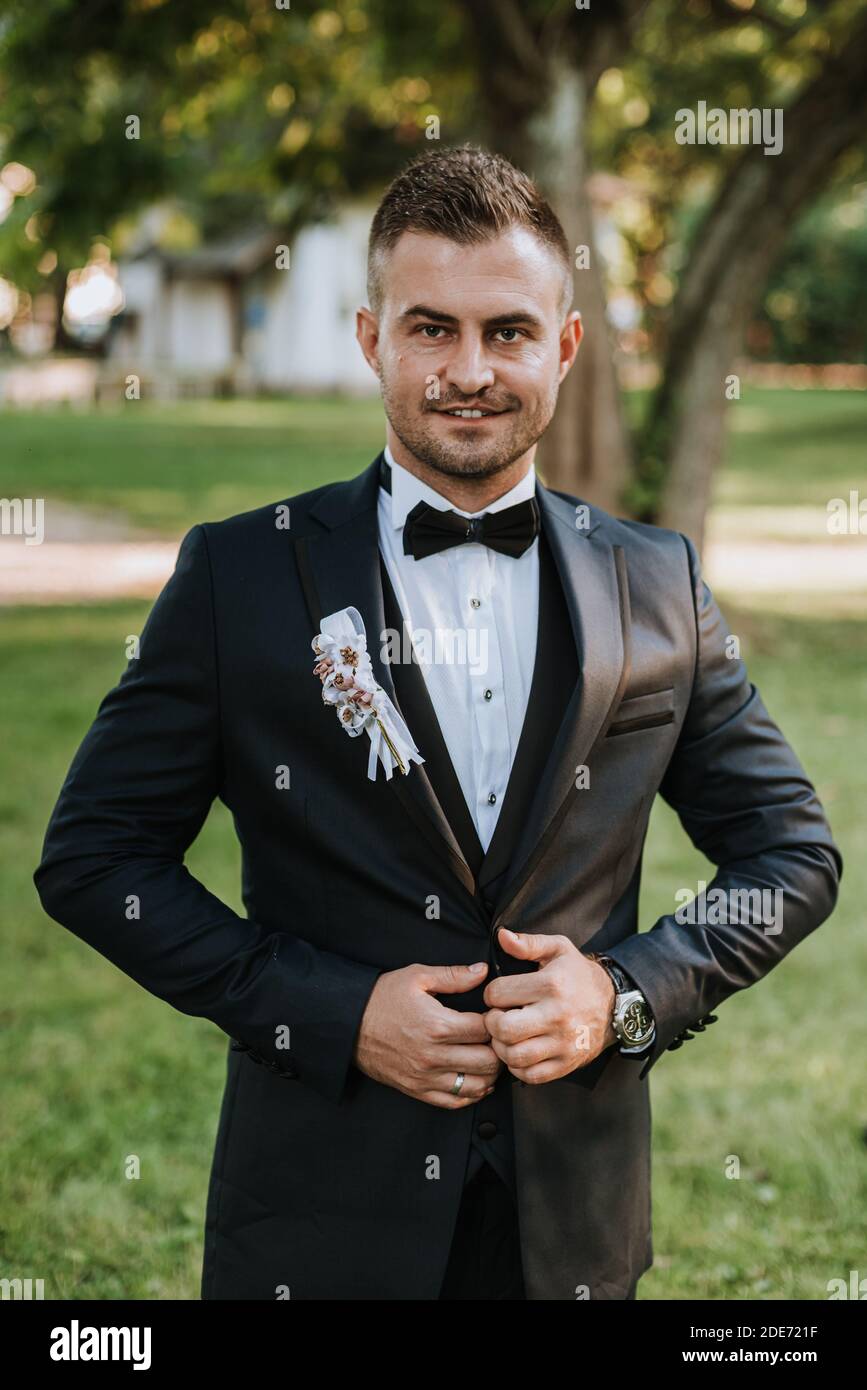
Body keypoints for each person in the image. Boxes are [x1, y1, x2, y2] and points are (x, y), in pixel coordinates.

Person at [34, 145, 842, 1301]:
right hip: (317, 1221)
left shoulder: (657, 583)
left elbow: (793, 853)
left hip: (569, 1229)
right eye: (430, 329)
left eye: (508, 330)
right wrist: (333, 1011)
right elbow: (94, 859)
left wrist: (624, 996)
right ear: (372, 340)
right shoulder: (239, 577)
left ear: (563, 347)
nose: (470, 370)